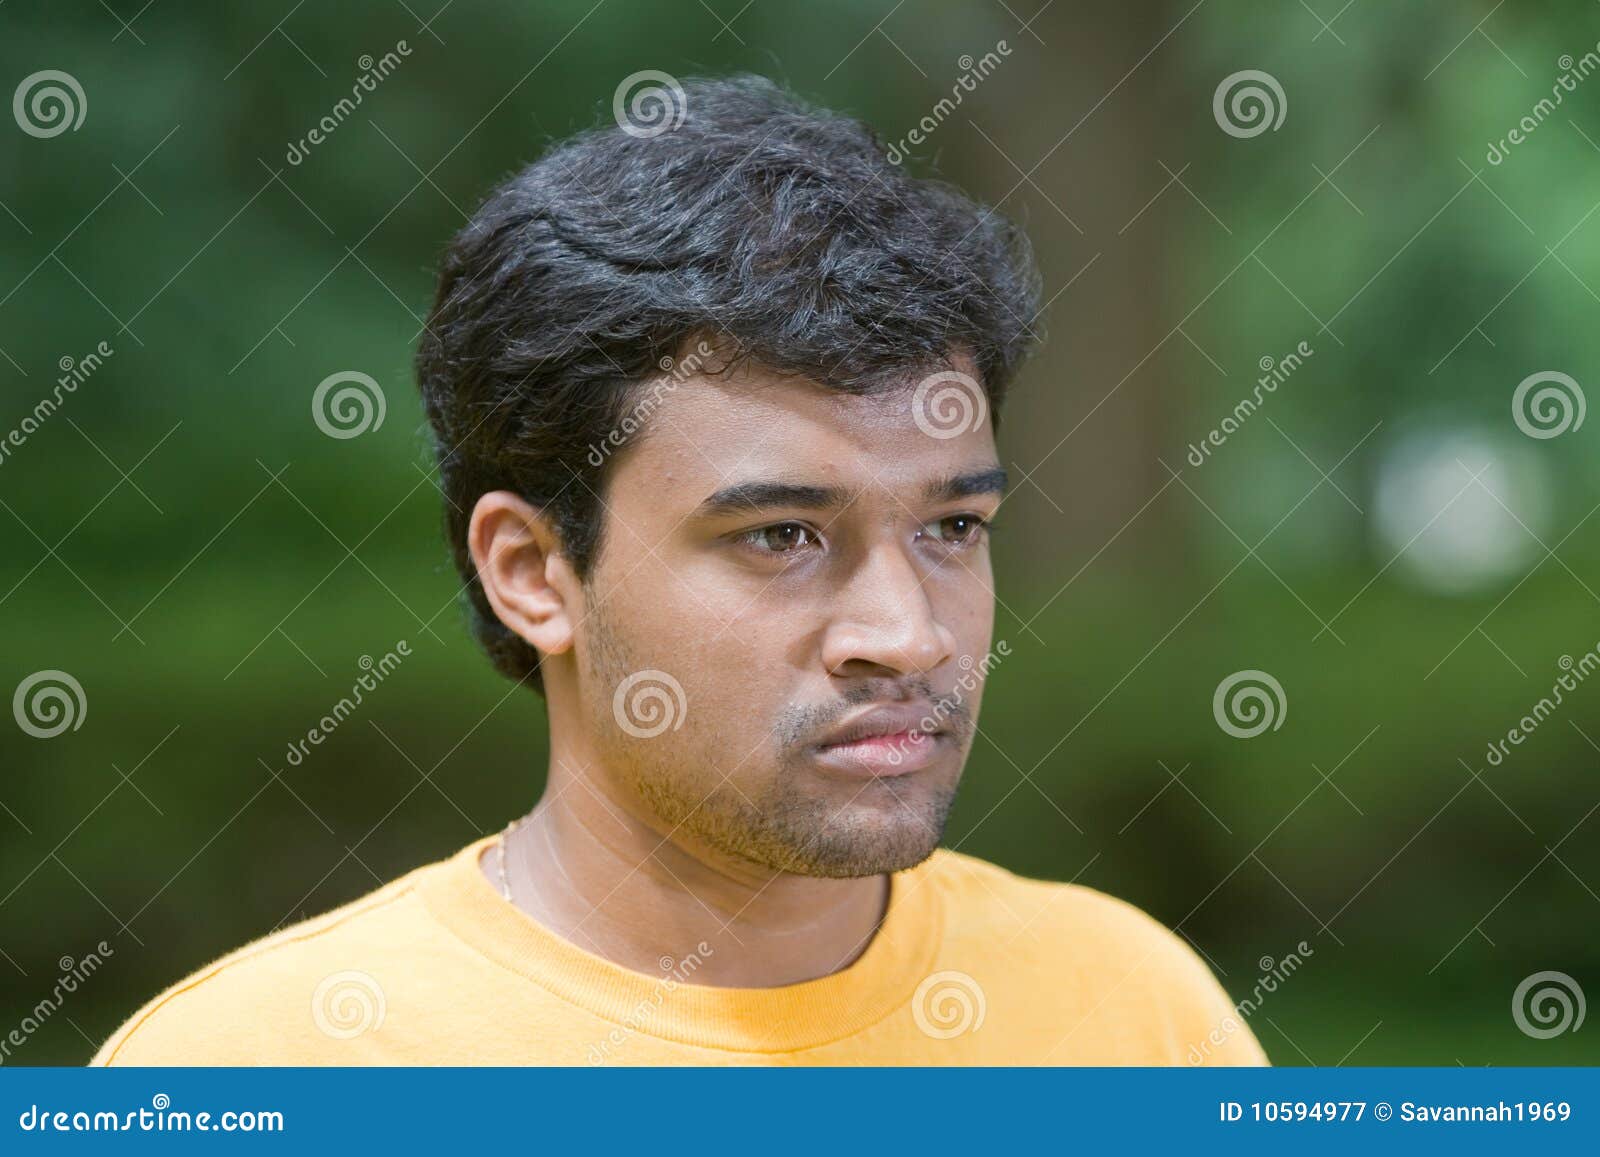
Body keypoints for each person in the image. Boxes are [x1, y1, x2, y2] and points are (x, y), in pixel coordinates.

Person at [92, 75, 1266, 1066]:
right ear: (532, 571)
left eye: (951, 525)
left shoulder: (1137, 1016)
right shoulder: (253, 1066)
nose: (906, 635)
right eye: (781, 535)